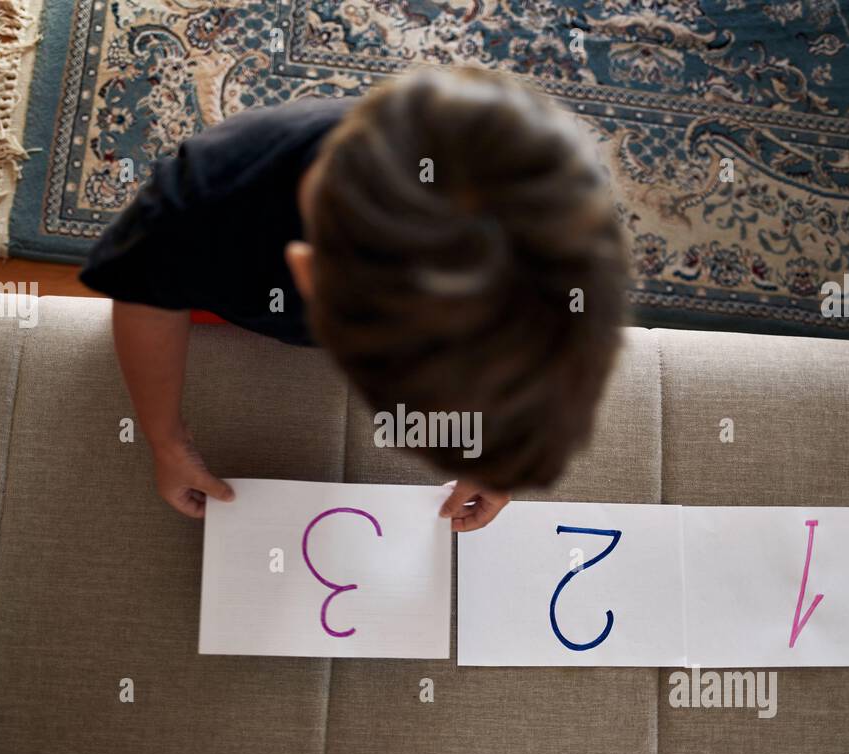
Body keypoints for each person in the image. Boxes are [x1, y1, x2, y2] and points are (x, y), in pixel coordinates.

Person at [80, 66, 627, 531]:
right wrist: (167, 441)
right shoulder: (195, 207)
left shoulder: (554, 222)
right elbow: (145, 298)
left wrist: (496, 458)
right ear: (307, 275)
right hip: (224, 291)